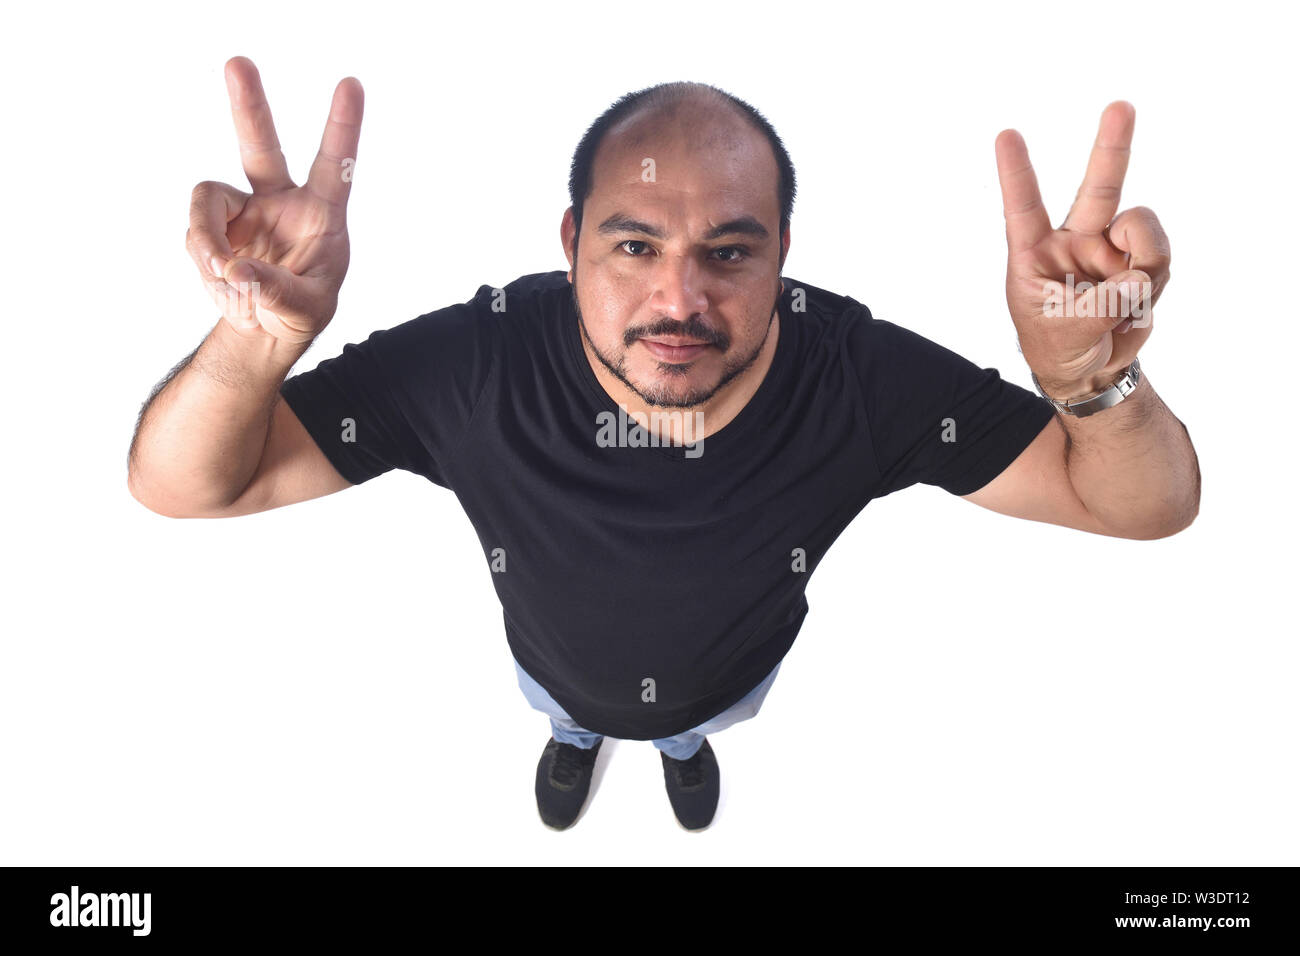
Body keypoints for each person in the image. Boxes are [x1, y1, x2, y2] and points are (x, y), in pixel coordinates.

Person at [128, 56, 1201, 832]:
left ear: (784, 255)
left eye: (730, 251)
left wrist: (1088, 381)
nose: (676, 298)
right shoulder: (474, 360)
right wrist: (250, 342)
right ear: (570, 243)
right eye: (633, 243)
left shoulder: (864, 376)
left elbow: (1137, 505)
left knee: (696, 720)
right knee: (568, 706)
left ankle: (681, 745)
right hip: (546, 667)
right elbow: (184, 487)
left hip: (736, 675)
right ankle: (578, 739)